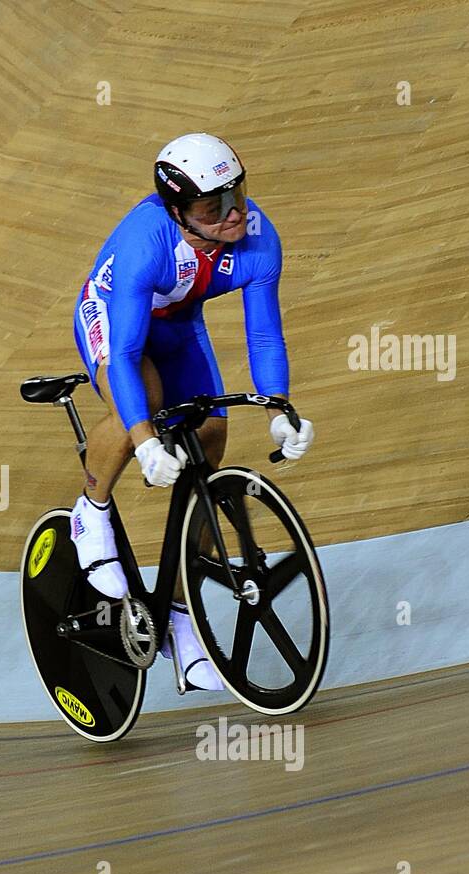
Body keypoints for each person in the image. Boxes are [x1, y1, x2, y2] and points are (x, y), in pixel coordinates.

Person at [70, 133, 315, 689]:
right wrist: (144, 438)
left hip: (179, 327)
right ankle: (93, 507)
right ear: (178, 212)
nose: (234, 214)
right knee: (148, 400)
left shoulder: (257, 236)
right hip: (113, 321)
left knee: (211, 435)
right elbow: (128, 356)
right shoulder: (146, 243)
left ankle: (182, 619)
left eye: (238, 196)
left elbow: (265, 338)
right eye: (214, 207)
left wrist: (279, 408)